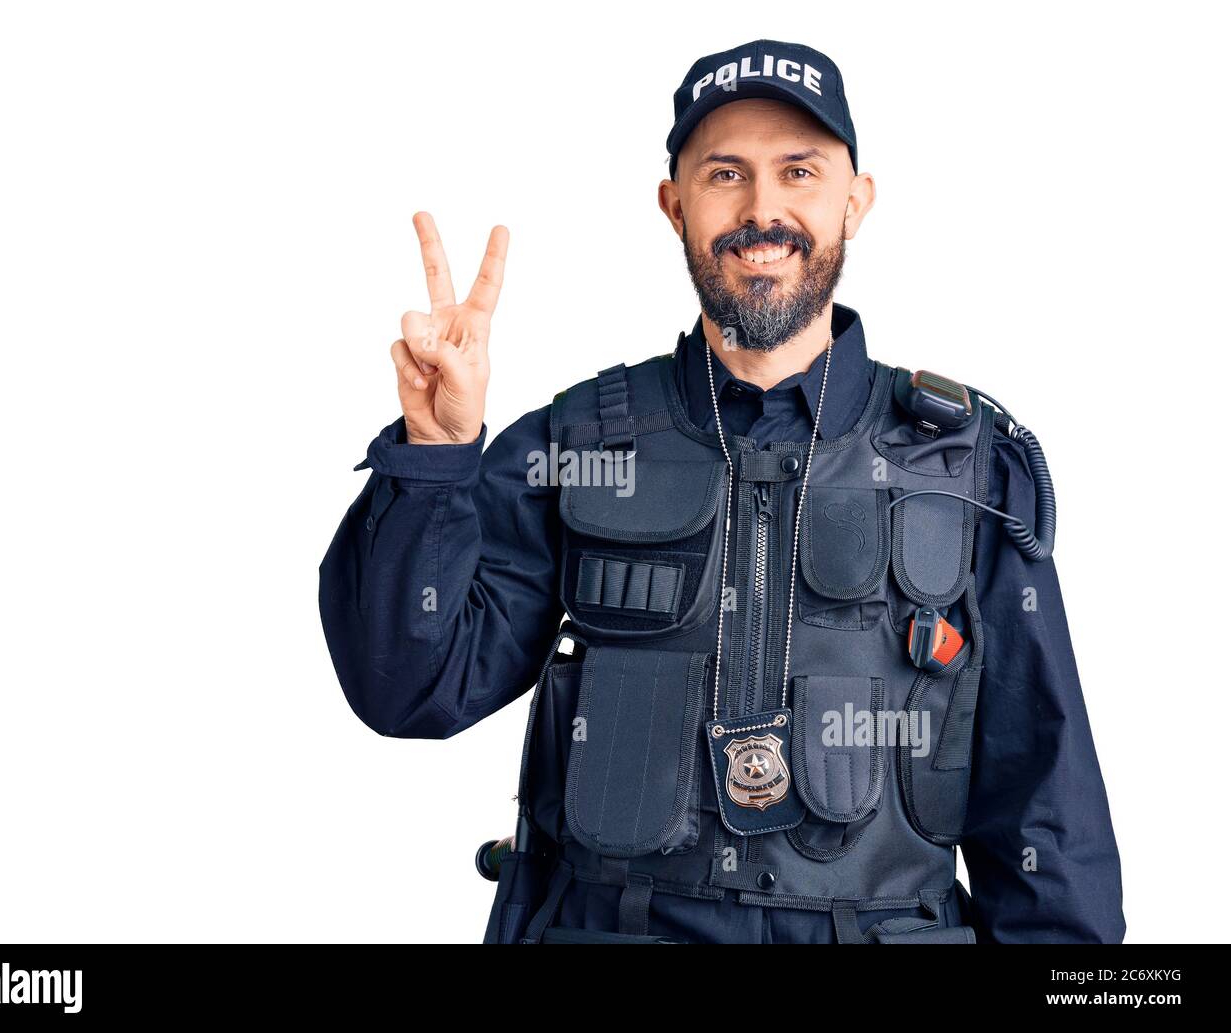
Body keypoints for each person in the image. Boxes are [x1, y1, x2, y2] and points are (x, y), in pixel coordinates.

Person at [319, 39, 1125, 944]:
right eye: (725, 174)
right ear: (675, 205)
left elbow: (1043, 805)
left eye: (800, 172)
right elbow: (408, 687)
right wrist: (435, 453)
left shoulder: (962, 463)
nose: (762, 210)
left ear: (855, 200)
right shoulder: (579, 444)